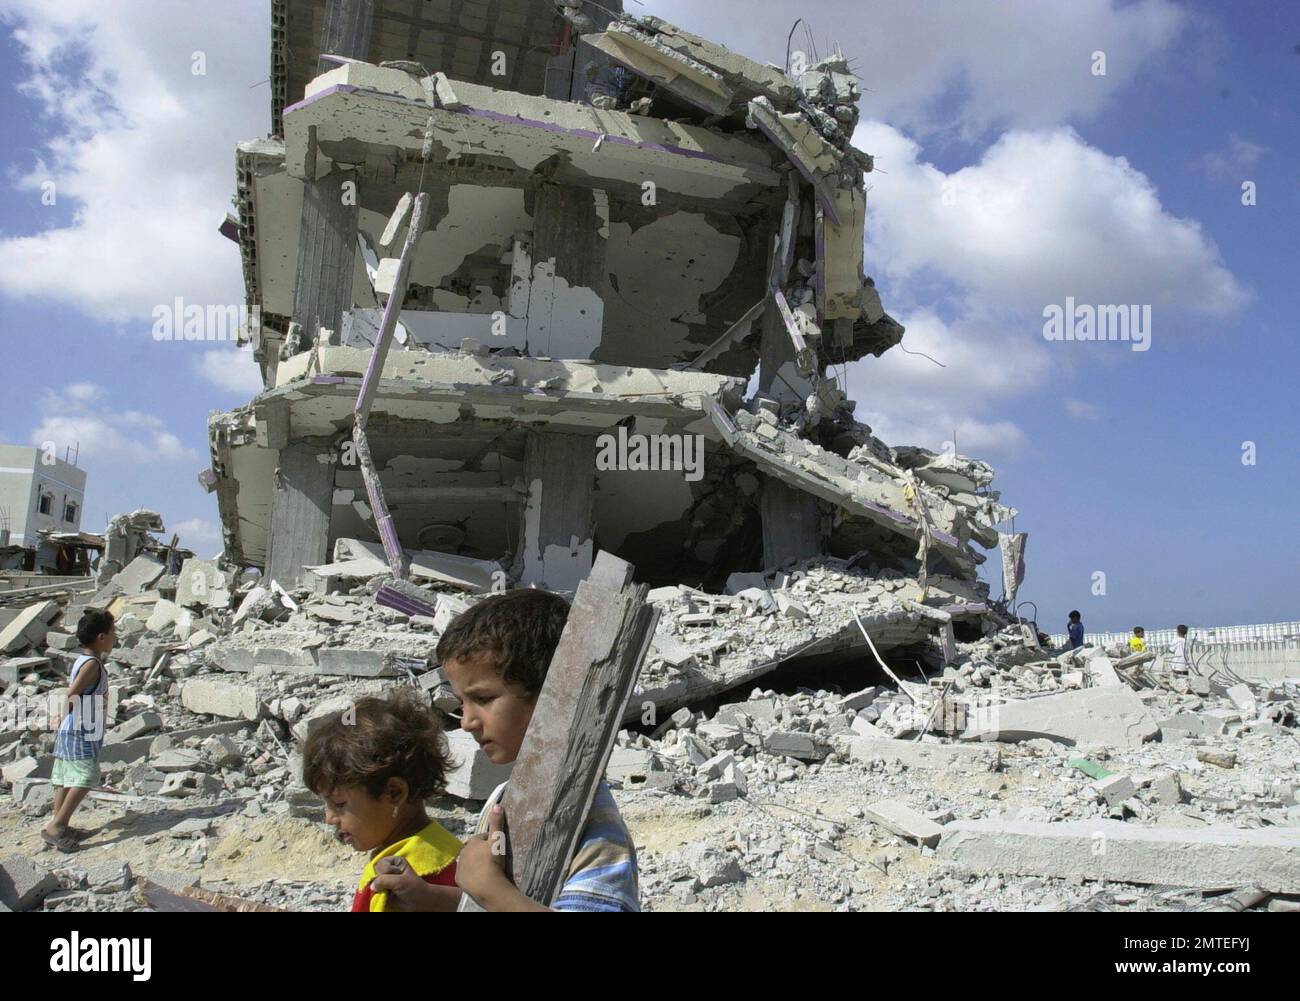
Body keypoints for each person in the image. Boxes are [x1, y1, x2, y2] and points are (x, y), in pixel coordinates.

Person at [438, 588, 639, 912]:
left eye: (484, 699)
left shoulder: (594, 827)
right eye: (463, 703)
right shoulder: (505, 797)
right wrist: (430, 898)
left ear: (552, 694)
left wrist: (489, 889)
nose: (466, 722)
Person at [302, 690, 462, 912]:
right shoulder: (446, 848)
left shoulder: (404, 884)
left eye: (339, 804)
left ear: (394, 793)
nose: (329, 818)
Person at [43, 608, 115, 853]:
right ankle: (57, 825)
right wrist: (67, 718)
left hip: (73, 727)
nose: (115, 638)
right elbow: (73, 693)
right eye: (112, 633)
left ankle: (59, 823)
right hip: (82, 728)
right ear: (101, 637)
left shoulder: (84, 660)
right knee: (85, 777)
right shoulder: (92, 664)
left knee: (65, 777)